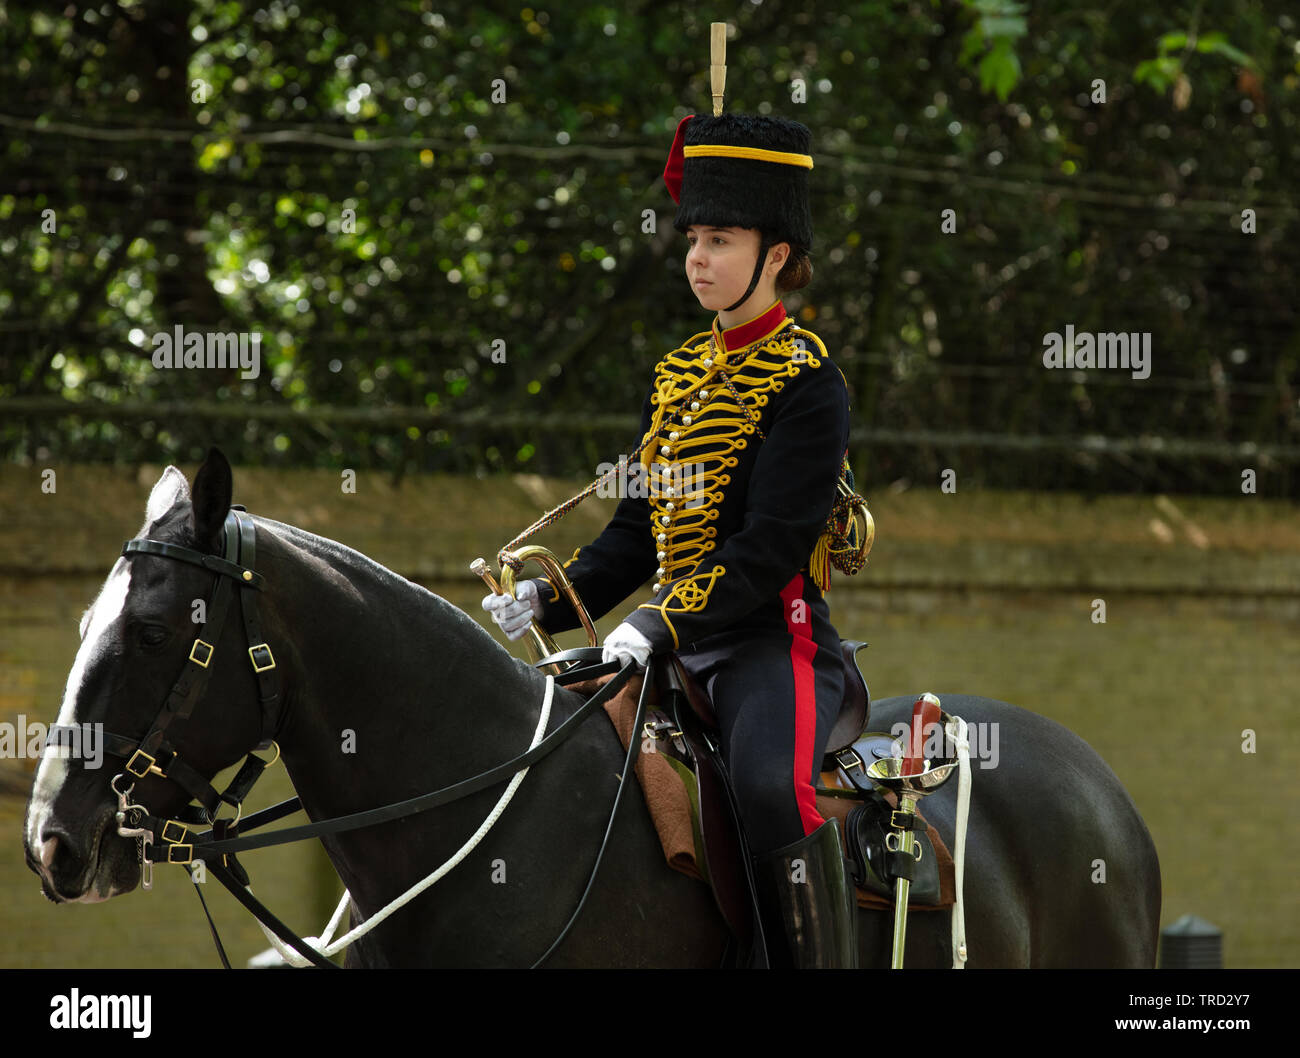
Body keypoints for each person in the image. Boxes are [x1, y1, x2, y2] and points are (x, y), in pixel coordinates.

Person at [483, 112, 856, 968]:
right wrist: (551, 596)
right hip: (669, 644)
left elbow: (769, 546)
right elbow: (632, 535)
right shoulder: (679, 375)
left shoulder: (810, 384)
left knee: (770, 789)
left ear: (775, 256)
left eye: (720, 239)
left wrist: (662, 622)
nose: (696, 258)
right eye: (693, 238)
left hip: (767, 640)